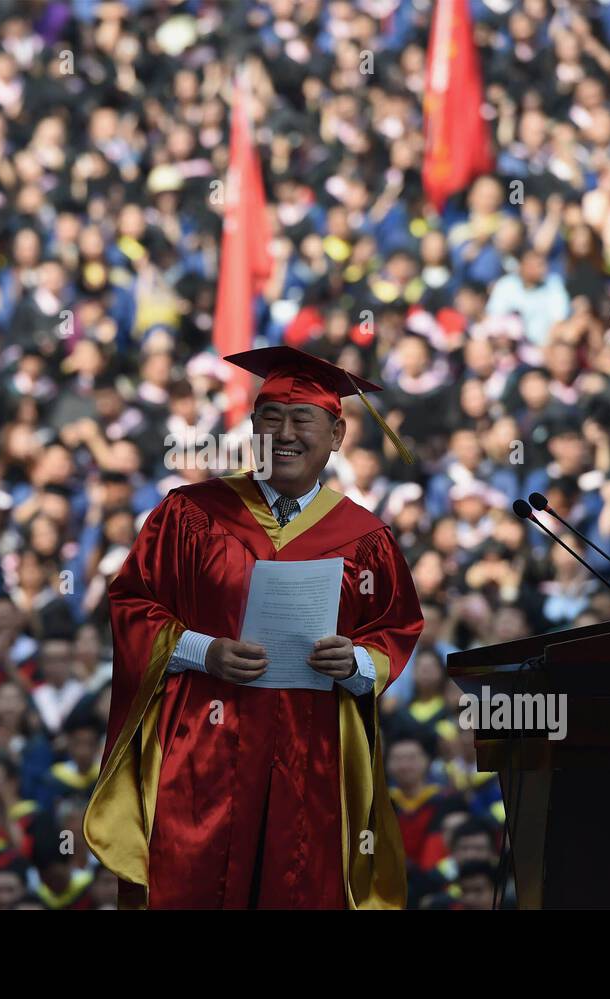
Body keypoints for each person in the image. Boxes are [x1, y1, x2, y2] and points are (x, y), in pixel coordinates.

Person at [84, 347, 423, 909]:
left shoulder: (366, 537)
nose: (284, 433)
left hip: (312, 755)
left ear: (337, 436)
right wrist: (200, 649)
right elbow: (130, 602)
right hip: (205, 748)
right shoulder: (191, 515)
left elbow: (396, 627)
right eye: (271, 417)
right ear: (252, 427)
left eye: (302, 420)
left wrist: (357, 662)